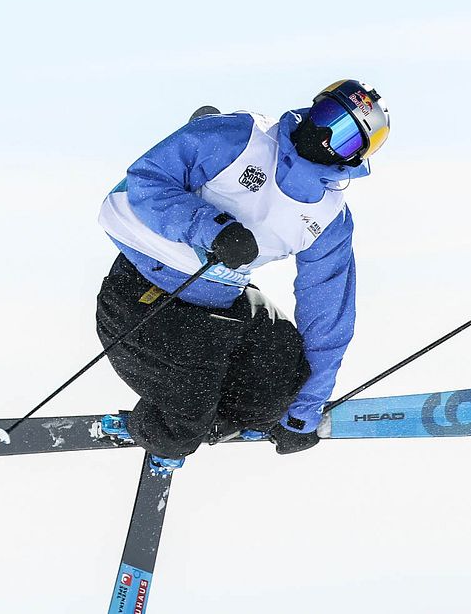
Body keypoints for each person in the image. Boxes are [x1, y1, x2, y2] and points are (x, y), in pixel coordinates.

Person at [96, 79, 390, 473]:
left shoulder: (328, 220)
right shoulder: (241, 136)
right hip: (145, 292)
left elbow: (328, 317)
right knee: (187, 413)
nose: (323, 137)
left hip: (220, 299)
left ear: (355, 159)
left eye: (345, 139)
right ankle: (166, 431)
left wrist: (301, 414)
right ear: (314, 106)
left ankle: (229, 419)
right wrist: (212, 229)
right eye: (327, 119)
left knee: (282, 373)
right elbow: (147, 179)